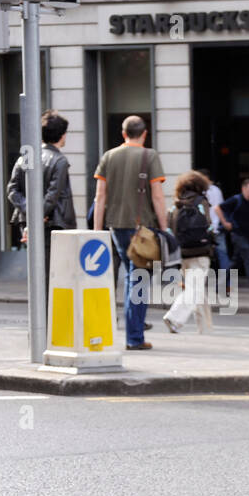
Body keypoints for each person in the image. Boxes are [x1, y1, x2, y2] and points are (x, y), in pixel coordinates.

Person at [94, 115, 167, 350]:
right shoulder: (149, 155)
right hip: (142, 229)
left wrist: (97, 230)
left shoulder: (109, 156)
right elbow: (157, 195)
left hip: (116, 226)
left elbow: (100, 196)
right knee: (138, 281)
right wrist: (165, 228)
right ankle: (134, 338)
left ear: (123, 133)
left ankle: (133, 333)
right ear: (144, 134)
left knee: (130, 278)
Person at [6, 109, 77, 293]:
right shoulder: (59, 160)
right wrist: (37, 216)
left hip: (30, 224)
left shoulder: (26, 157)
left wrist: (29, 212)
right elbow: (52, 197)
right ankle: (47, 320)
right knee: (54, 277)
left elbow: (12, 190)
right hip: (54, 225)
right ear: (62, 135)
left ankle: (41, 317)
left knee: (39, 273)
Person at [162, 170, 215, 334]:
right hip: (200, 252)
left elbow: (169, 228)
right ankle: (174, 317)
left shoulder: (176, 203)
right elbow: (209, 224)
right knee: (195, 289)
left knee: (197, 289)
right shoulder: (201, 201)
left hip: (183, 253)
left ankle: (205, 329)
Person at [198, 168, 232, 273]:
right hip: (216, 228)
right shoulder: (216, 190)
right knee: (222, 255)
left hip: (204, 229)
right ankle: (226, 284)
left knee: (201, 256)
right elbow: (221, 208)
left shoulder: (199, 191)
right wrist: (224, 222)